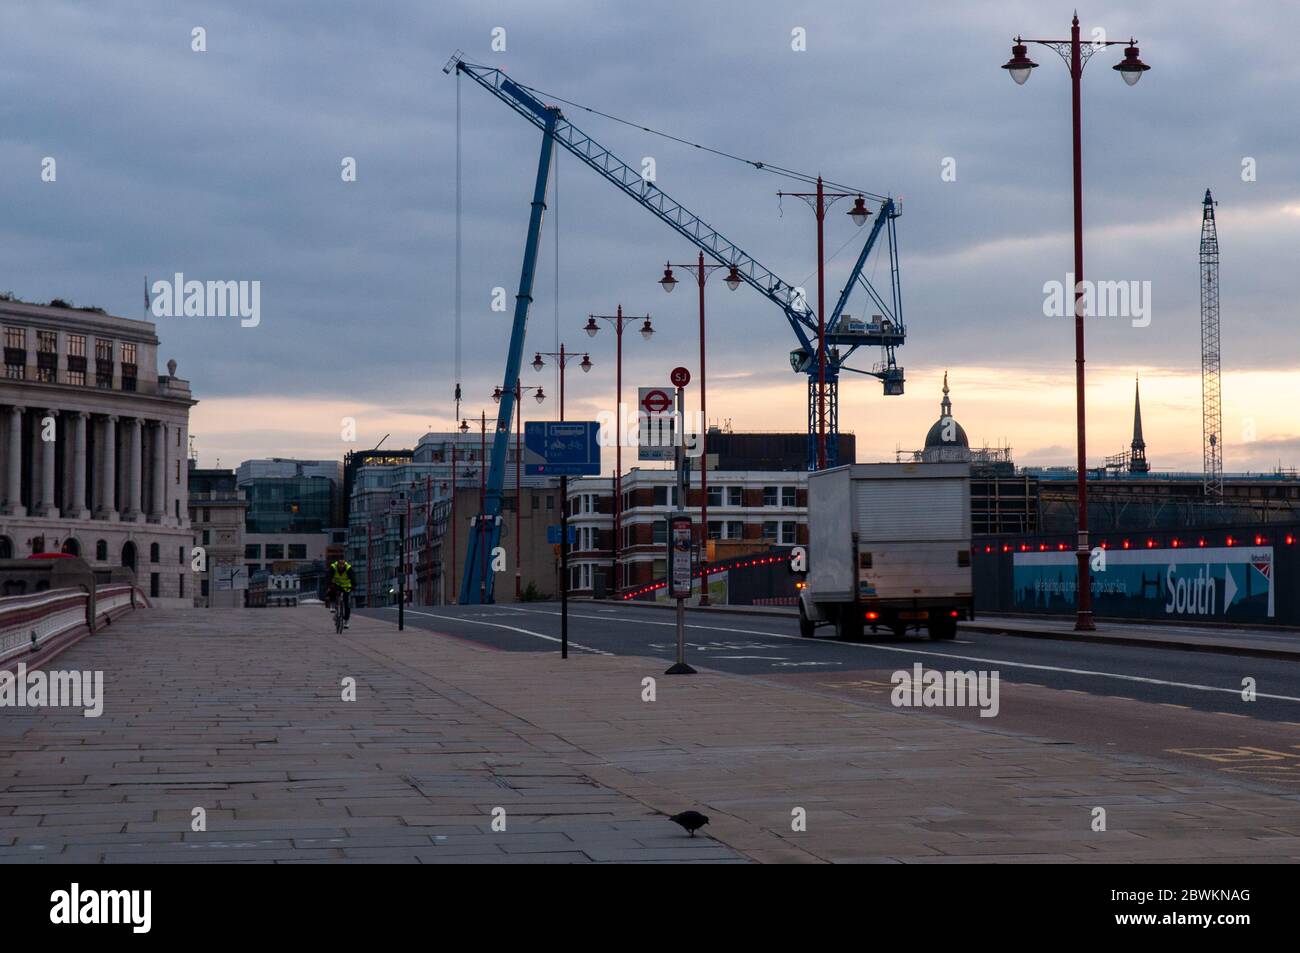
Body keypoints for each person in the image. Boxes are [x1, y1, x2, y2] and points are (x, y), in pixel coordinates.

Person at [326, 557, 355, 628]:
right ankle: (332, 604)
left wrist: (353, 586)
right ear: (337, 564)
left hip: (346, 586)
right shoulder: (333, 567)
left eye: (343, 565)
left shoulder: (348, 568)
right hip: (336, 585)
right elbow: (328, 576)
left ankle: (346, 621)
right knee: (331, 590)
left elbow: (353, 578)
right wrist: (329, 584)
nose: (341, 567)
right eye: (340, 565)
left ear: (344, 564)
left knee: (346, 604)